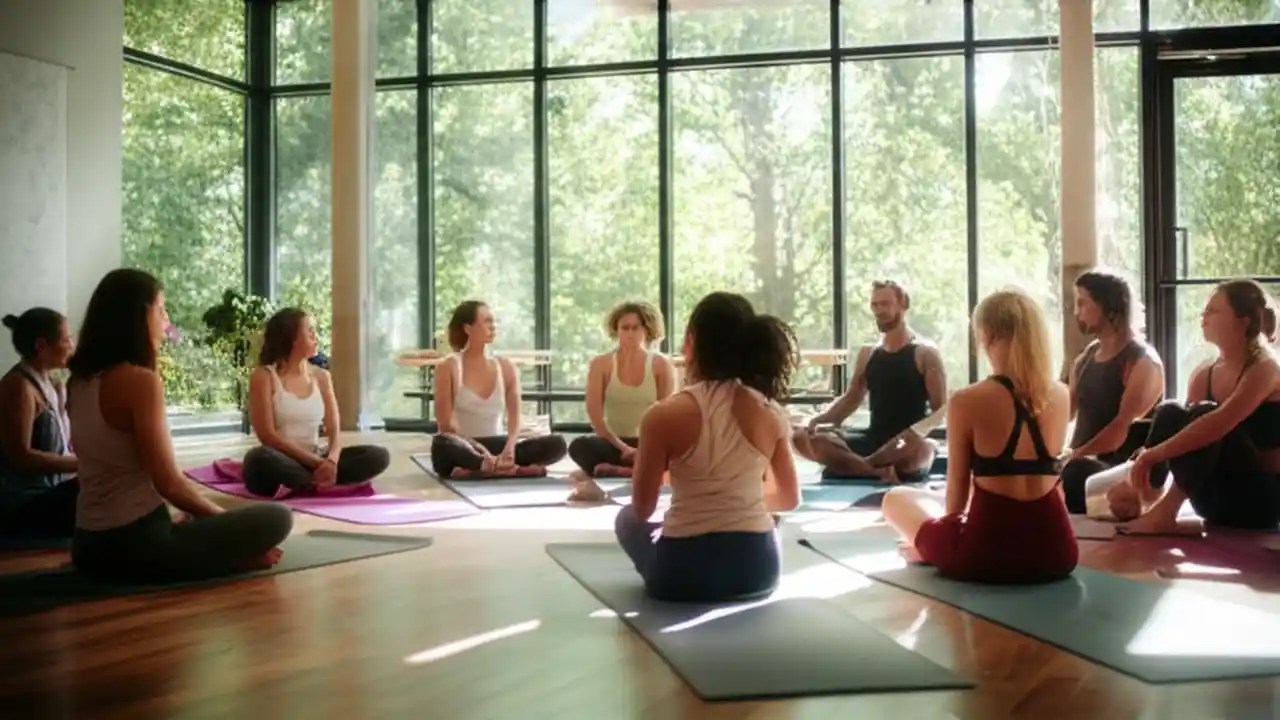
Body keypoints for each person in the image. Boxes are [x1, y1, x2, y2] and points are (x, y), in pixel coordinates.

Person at [67, 269, 292, 582]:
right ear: (137, 316)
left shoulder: (77, 382)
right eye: (160, 309)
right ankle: (229, 560)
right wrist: (225, 527)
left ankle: (204, 548)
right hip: (136, 544)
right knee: (277, 519)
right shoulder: (139, 381)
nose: (166, 320)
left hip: (87, 544)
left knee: (190, 516)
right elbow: (169, 483)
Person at [881, 288, 1076, 584]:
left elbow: (957, 491)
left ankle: (925, 549)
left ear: (986, 335)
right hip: (1057, 553)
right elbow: (1053, 479)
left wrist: (937, 545)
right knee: (935, 499)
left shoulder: (967, 400)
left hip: (984, 556)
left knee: (896, 498)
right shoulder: (1061, 395)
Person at [615, 292, 801, 602]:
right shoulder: (770, 413)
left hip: (681, 575)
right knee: (769, 520)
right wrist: (737, 503)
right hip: (757, 570)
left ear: (690, 344)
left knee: (625, 519)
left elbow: (642, 509)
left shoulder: (662, 415)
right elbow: (789, 498)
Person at [1111, 280, 1280, 535]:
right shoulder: (1204, 373)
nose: (1203, 316)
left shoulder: (1266, 368)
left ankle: (1164, 513)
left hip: (1260, 502)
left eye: (1213, 310)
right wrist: (1138, 466)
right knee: (1171, 412)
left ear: (1243, 321)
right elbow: (1184, 437)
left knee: (1206, 416)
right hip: (1213, 501)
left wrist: (1151, 455)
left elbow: (1217, 424)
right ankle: (1142, 496)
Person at [793, 280, 946, 482]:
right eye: (875, 305)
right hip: (874, 439)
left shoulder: (925, 353)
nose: (879, 310)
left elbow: (940, 410)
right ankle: (875, 470)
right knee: (807, 439)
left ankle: (853, 467)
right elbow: (851, 398)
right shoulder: (868, 353)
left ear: (903, 304)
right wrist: (816, 421)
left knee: (916, 452)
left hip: (906, 443)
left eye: (886, 304)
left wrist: (913, 435)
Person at [242, 308, 390, 498]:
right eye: (310, 330)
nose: (316, 336)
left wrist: (332, 461)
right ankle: (318, 481)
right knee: (258, 459)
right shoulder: (264, 376)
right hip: (282, 460)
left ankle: (309, 482)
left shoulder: (321, 376)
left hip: (317, 458)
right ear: (292, 337)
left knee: (377, 456)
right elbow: (268, 437)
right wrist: (317, 464)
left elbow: (334, 431)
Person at [1059, 270, 1164, 513]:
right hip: (1082, 465)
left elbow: (1121, 430)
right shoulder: (1085, 357)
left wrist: (1072, 457)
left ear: (1107, 306)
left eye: (1082, 303)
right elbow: (1066, 411)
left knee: (1075, 473)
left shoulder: (1142, 361)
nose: (1077, 312)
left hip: (1120, 471)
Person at [429, 301, 567, 477]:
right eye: (487, 321)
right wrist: (481, 454)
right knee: (442, 444)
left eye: (493, 321)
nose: (493, 326)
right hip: (464, 446)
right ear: (468, 328)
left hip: (497, 446)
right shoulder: (448, 367)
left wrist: (509, 448)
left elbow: (515, 418)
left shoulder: (506, 366)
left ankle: (484, 470)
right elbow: (446, 424)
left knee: (557, 443)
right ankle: (500, 468)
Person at [566, 301, 676, 501]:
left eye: (636, 327)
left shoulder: (661, 365)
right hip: (613, 444)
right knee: (580, 446)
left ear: (647, 329)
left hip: (649, 444)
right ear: (616, 330)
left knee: (681, 452)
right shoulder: (601, 364)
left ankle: (617, 470)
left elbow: (666, 417)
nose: (630, 333)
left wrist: (643, 451)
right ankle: (634, 469)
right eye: (625, 328)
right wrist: (624, 449)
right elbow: (595, 416)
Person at [0, 308, 78, 538]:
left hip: (51, 492)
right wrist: (82, 465)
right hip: (24, 501)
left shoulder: (54, 385)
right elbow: (20, 456)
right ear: (42, 346)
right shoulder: (19, 387)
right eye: (66, 339)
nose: (72, 345)